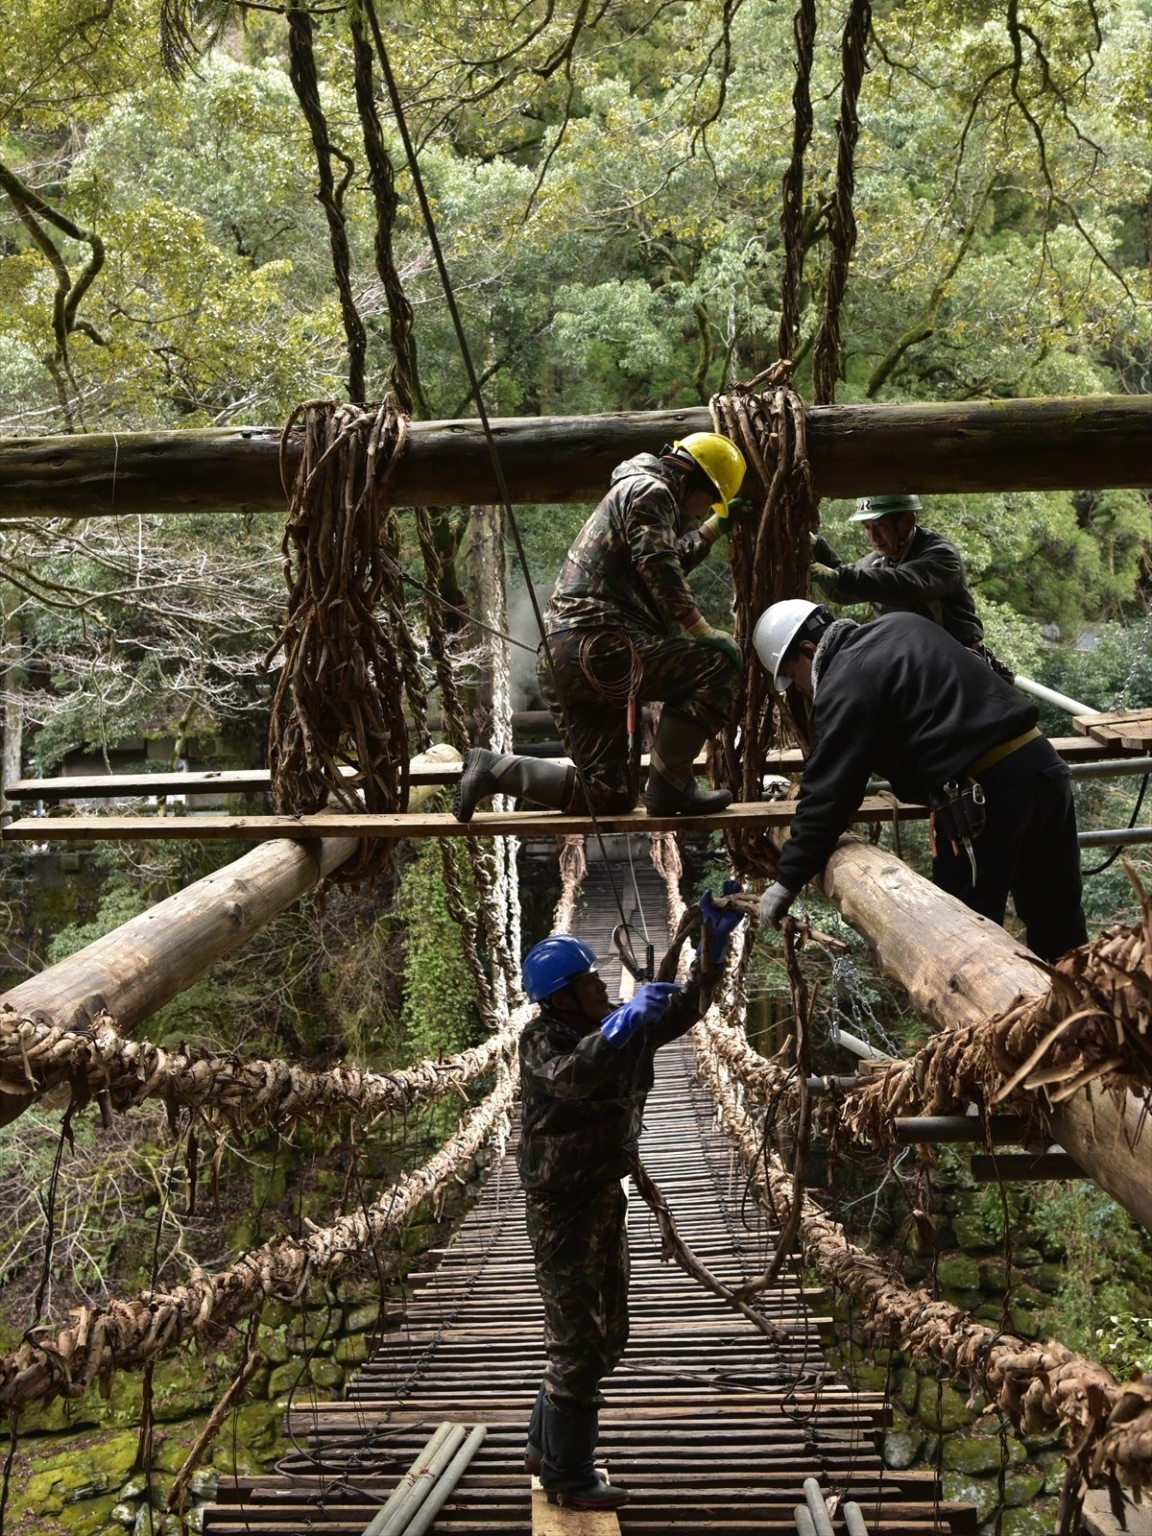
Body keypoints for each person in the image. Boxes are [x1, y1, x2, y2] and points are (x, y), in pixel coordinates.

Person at [517, 897, 744, 1510]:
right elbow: (570, 1075)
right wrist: (620, 1027)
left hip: (599, 1196)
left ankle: (543, 1447)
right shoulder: (541, 1040)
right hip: (562, 1209)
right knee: (579, 1343)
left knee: (601, 1334)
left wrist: (712, 953)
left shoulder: (608, 1022)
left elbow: (685, 1013)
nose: (601, 986)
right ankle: (567, 1474)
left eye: (599, 978)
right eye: (589, 981)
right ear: (562, 998)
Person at [751, 601, 1087, 963]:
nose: (802, 689)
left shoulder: (845, 679)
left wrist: (788, 879)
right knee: (1057, 918)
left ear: (809, 650)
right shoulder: (902, 623)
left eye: (794, 676)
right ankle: (1085, 1012)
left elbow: (829, 793)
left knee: (965, 941)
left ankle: (984, 1019)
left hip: (984, 795)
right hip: (1043, 767)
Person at [454, 432, 747, 823]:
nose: (700, 512)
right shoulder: (651, 490)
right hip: (601, 647)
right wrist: (702, 630)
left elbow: (662, 555)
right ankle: (671, 787)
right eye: (709, 500)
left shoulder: (637, 492)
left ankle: (494, 769)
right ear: (693, 479)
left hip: (568, 660)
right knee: (718, 662)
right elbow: (658, 563)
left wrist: (714, 528)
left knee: (609, 794)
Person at [809, 493, 984, 650]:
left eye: (880, 526)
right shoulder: (876, 562)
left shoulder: (941, 556)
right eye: (867, 527)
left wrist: (840, 577)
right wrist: (818, 548)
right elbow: (843, 590)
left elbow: (902, 584)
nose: (873, 537)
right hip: (906, 658)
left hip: (954, 657)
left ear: (908, 521)